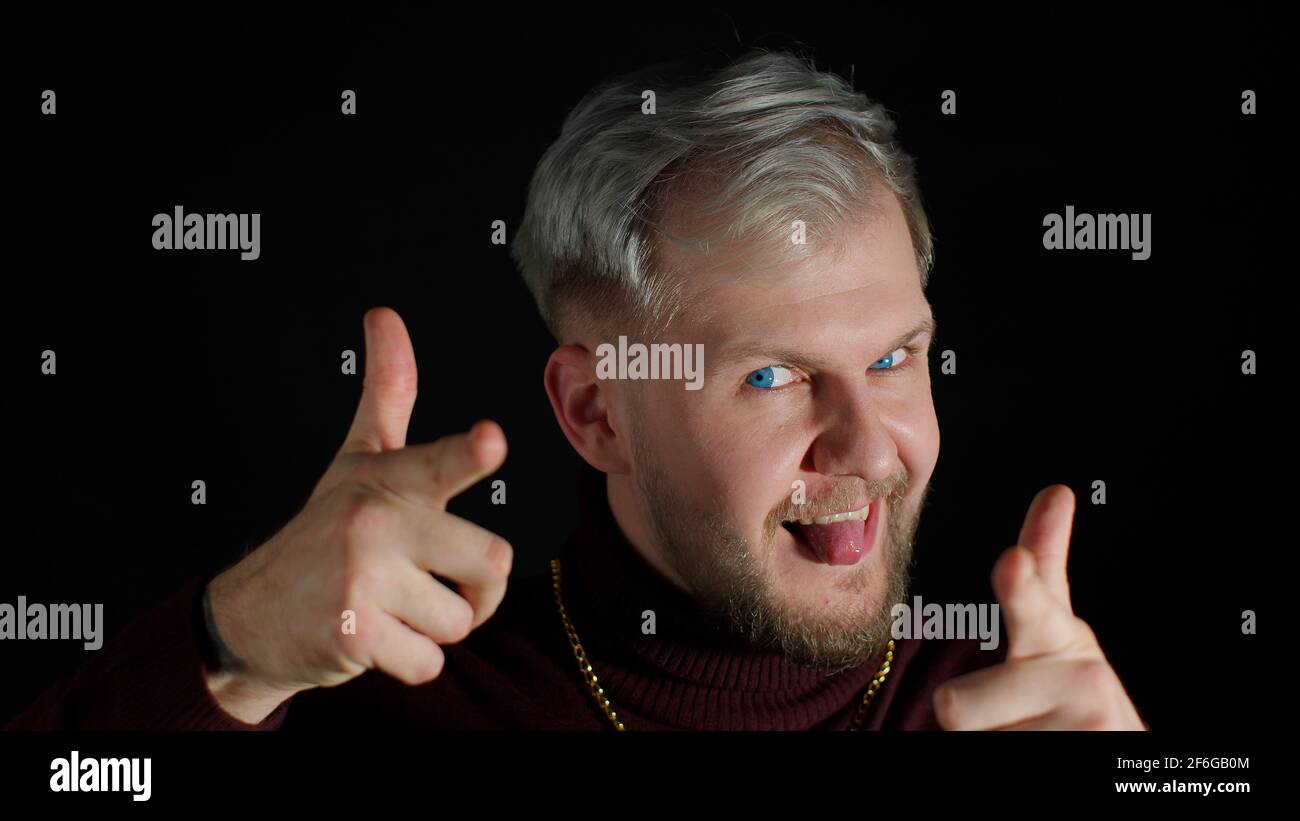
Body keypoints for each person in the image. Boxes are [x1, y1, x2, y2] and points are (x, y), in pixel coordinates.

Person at [8, 49, 1146, 731]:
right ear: (597, 412)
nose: (868, 446)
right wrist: (227, 647)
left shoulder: (1022, 715)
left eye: (895, 357)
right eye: (770, 375)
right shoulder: (379, 695)